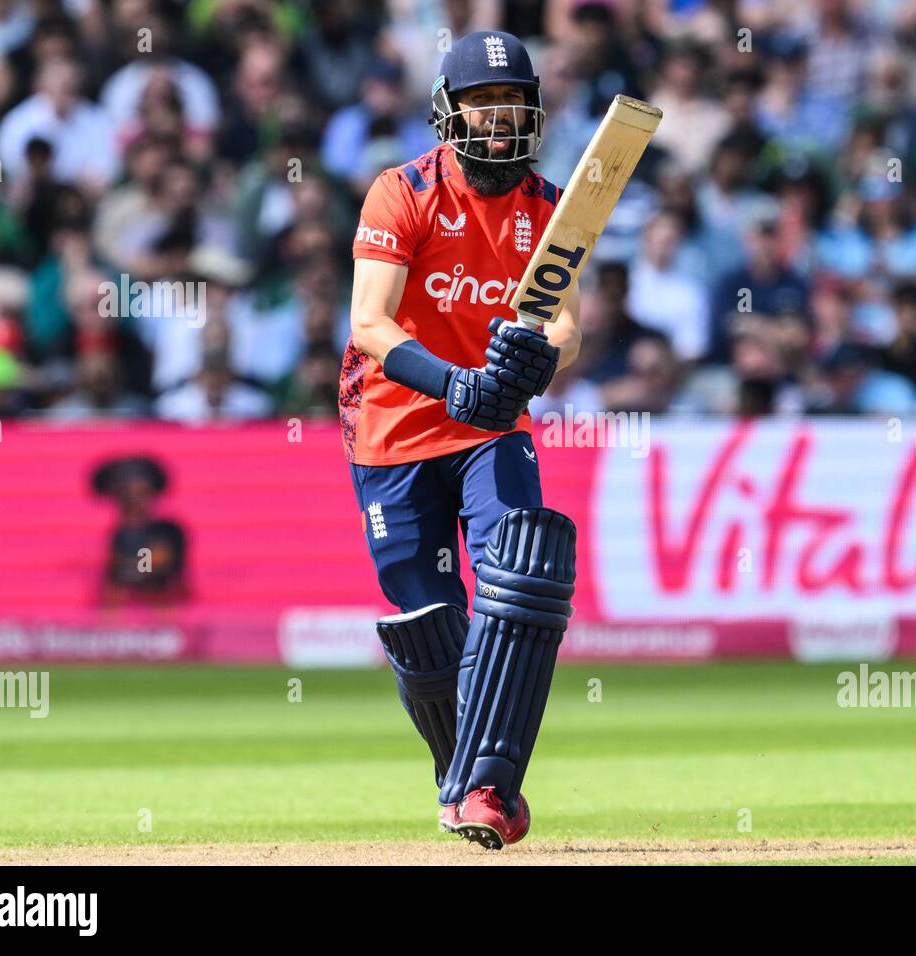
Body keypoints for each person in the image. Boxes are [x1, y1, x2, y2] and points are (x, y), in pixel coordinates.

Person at [341, 32, 579, 851]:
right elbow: (368, 323)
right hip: (393, 426)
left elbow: (565, 322)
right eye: (482, 104)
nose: (499, 120)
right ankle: (463, 782)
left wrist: (541, 357)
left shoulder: (548, 206)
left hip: (492, 429)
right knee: (429, 625)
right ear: (450, 112)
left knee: (520, 575)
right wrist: (454, 381)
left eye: (511, 104)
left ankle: (487, 786)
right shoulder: (400, 191)